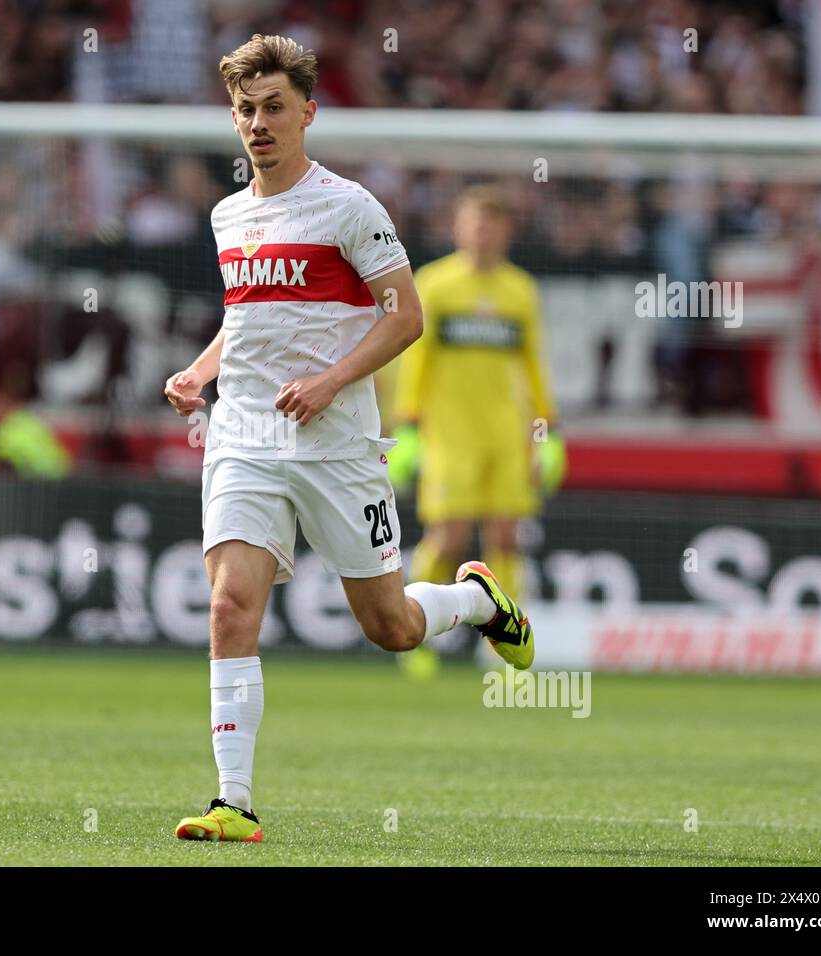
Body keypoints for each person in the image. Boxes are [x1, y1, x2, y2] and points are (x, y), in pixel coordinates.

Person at [162, 35, 534, 844]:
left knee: (390, 627)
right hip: (245, 436)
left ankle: (475, 598)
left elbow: (407, 315)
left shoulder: (350, 208)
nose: (257, 124)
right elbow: (248, 319)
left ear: (307, 113)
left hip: (336, 444)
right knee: (230, 605)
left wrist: (332, 381)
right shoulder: (229, 215)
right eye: (245, 110)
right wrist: (199, 371)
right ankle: (235, 801)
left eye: (273, 109)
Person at [390, 186, 563, 650]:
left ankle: (504, 644)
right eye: (474, 223)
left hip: (508, 435)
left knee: (507, 537)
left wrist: (550, 431)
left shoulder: (520, 290)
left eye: (492, 224)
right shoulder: (435, 284)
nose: (483, 233)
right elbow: (414, 360)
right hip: (450, 436)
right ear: (458, 228)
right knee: (449, 539)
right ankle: (415, 633)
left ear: (507, 231)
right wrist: (407, 428)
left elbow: (533, 365)